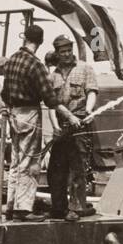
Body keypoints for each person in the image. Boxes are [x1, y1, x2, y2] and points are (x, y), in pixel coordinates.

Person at [1, 24, 79, 221]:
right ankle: (23, 210)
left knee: (16, 162)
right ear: (41, 42)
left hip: (13, 114)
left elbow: (4, 93)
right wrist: (70, 116)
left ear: (24, 38)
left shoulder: (11, 61)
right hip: (29, 114)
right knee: (29, 162)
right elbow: (50, 98)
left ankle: (10, 206)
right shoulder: (35, 65)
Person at [47, 35, 98, 221]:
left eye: (69, 50)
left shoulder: (85, 69)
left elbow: (91, 91)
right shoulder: (53, 76)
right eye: (63, 52)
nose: (67, 54)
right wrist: (55, 127)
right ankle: (58, 207)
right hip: (61, 126)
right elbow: (51, 105)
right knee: (56, 169)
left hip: (81, 123)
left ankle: (76, 208)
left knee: (79, 167)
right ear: (57, 54)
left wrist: (88, 110)